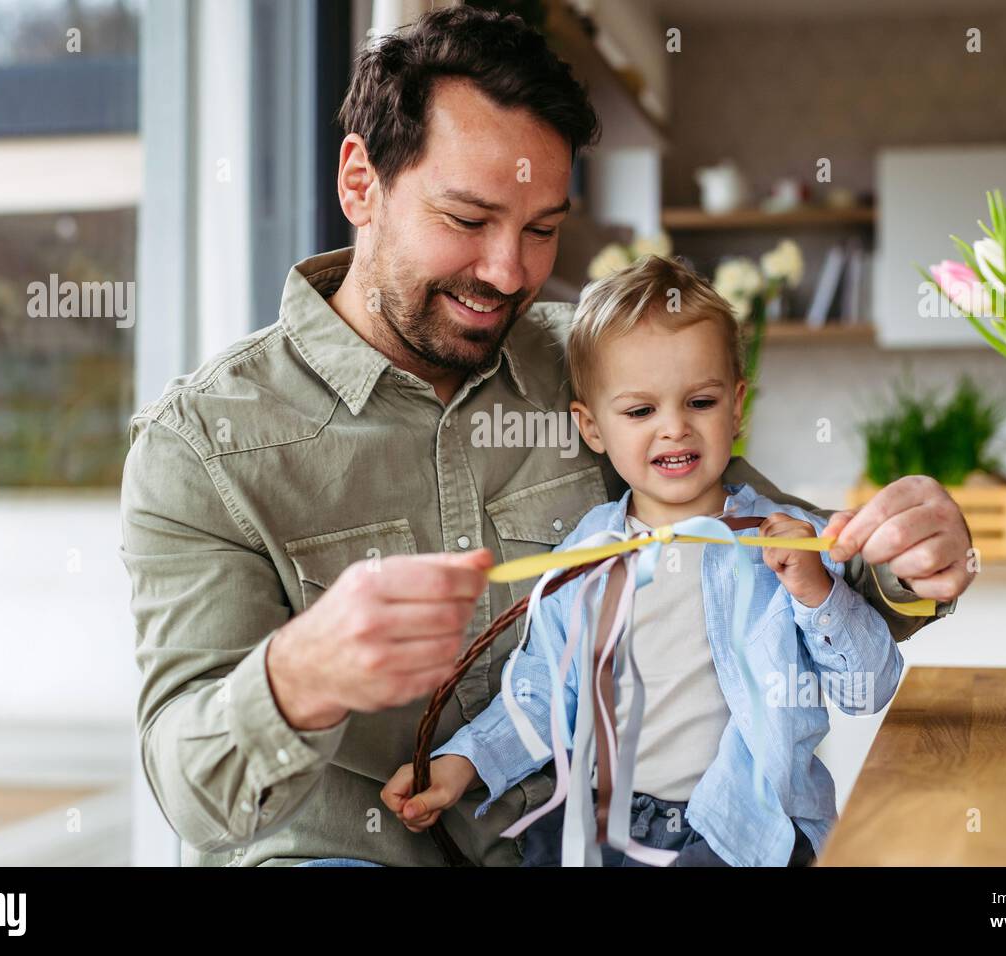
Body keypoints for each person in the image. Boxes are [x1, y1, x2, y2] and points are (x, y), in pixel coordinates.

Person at [120, 7, 972, 868]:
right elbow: (190, 784)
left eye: (541, 229)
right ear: (359, 184)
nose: (508, 272)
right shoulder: (201, 445)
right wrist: (298, 674)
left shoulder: (599, 361)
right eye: (467, 219)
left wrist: (909, 555)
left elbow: (783, 545)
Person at [381, 255, 902, 867]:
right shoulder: (584, 555)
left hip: (738, 827)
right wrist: (461, 764)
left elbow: (868, 687)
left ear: (737, 408)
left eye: (700, 403)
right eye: (640, 411)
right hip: (602, 825)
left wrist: (818, 595)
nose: (674, 429)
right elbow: (544, 689)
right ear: (592, 428)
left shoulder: (790, 544)